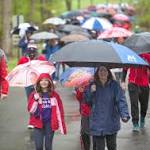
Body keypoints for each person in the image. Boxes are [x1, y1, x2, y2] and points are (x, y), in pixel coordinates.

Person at [84, 66, 130, 150]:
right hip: (97, 122)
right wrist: (91, 92)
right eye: (100, 70)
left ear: (108, 72)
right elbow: (87, 102)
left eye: (105, 70)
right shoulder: (92, 85)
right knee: (99, 147)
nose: (102, 72)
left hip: (111, 121)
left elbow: (121, 100)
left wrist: (124, 114)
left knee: (112, 146)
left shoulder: (114, 85)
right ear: (97, 73)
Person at [28, 73, 67, 150]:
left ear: (50, 82)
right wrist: (36, 100)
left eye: (46, 80)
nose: (44, 82)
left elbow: (59, 111)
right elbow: (31, 110)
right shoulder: (34, 94)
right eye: (41, 80)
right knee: (39, 146)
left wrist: (62, 126)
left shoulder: (54, 95)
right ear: (39, 82)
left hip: (50, 124)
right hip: (38, 123)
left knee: (48, 147)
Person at [17, 44, 46, 128]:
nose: (32, 54)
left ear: (36, 51)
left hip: (40, 83)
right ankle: (32, 121)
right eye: (30, 51)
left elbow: (45, 68)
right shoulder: (23, 59)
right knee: (31, 102)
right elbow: (18, 69)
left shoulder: (41, 59)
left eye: (33, 51)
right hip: (28, 83)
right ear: (27, 51)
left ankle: (41, 119)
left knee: (40, 101)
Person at [121, 53, 150, 131]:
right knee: (134, 104)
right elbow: (125, 69)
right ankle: (135, 123)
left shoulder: (147, 56)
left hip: (144, 83)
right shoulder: (130, 56)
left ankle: (142, 117)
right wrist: (123, 81)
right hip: (133, 83)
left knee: (144, 104)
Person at [75, 85, 91, 150]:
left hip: (95, 112)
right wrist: (80, 91)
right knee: (84, 132)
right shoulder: (81, 85)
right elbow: (79, 98)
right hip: (84, 112)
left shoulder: (96, 84)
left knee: (95, 133)